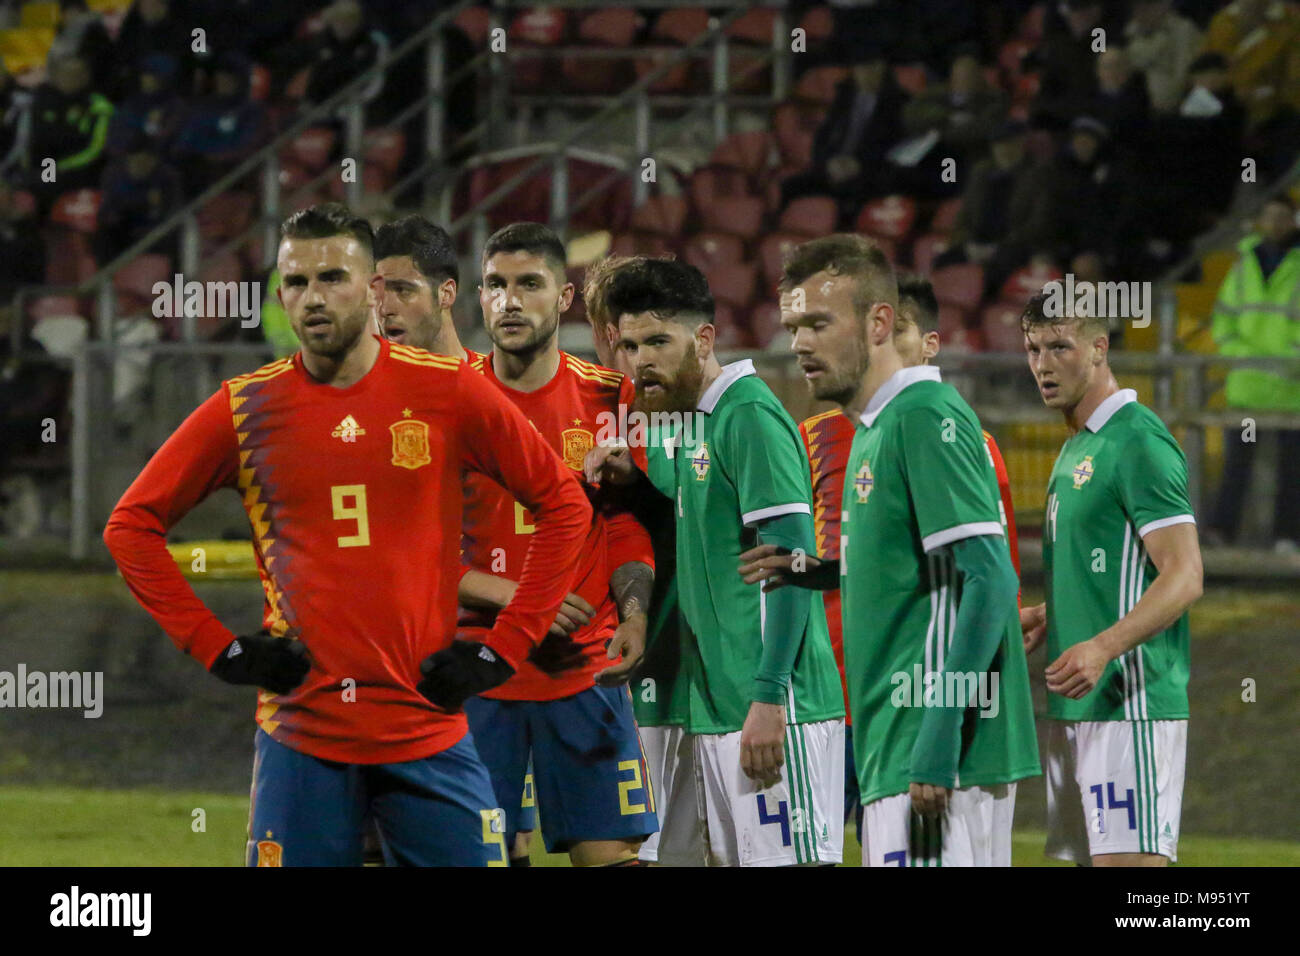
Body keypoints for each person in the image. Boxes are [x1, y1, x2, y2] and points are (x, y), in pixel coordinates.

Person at [102, 203, 593, 866]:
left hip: (429, 729)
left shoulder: (448, 392)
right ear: (279, 295)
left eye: (333, 277)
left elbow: (565, 504)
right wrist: (219, 650)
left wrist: (504, 650)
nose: (312, 297)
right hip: (302, 735)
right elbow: (131, 527)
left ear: (373, 290)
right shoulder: (244, 409)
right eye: (297, 283)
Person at [743, 234, 1039, 866]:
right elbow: (908, 568)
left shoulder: (926, 417)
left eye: (819, 323)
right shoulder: (876, 429)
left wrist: (936, 740)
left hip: (928, 754)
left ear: (880, 322)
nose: (799, 344)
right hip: (894, 745)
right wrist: (817, 570)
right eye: (793, 326)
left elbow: (990, 580)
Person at [589, 257, 847, 866]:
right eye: (628, 345)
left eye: (658, 341)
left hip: (777, 709)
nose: (640, 360)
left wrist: (769, 697)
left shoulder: (749, 417)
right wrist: (634, 479)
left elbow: (791, 565)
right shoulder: (694, 426)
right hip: (721, 709)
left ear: (704, 338)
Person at [457, 223, 658, 867]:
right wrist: (524, 600)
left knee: (611, 854)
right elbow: (410, 549)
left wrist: (634, 614)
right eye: (495, 286)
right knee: (476, 856)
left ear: (564, 297)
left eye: (528, 285)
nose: (509, 301)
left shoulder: (606, 397)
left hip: (582, 669)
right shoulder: (443, 402)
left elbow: (625, 522)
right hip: (477, 672)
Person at [1019, 289, 1203, 866]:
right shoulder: (1079, 444)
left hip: (1131, 707)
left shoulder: (1138, 441)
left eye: (1059, 347)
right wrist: (1056, 614)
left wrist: (1104, 645)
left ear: (1099, 348)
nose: (1043, 365)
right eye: (1032, 349)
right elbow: (1117, 565)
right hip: (1077, 708)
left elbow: (1184, 573)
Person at [582, 253, 694, 865]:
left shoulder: (701, 412)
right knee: (644, 842)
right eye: (626, 335)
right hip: (637, 657)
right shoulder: (605, 408)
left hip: (685, 655)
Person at [1207, 195, 1300, 550]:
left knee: (1292, 471)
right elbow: (1224, 318)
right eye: (1269, 216)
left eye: (1282, 216)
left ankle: (1288, 536)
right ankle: (1221, 533)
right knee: (1236, 468)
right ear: (1261, 220)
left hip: (1291, 388)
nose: (1275, 223)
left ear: (1293, 221)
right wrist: (1241, 355)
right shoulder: (1243, 265)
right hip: (1247, 387)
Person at [780, 47, 907, 220]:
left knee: (853, 193)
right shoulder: (844, 98)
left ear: (883, 70)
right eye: (862, 68)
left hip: (868, 173)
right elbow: (822, 137)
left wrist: (860, 165)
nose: (867, 74)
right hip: (835, 167)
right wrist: (827, 163)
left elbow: (895, 147)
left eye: (873, 68)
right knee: (791, 186)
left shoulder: (898, 103)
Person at [372, 215, 471, 360]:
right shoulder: (367, 381)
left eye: (402, 290)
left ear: (446, 293)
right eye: (378, 293)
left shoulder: (492, 378)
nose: (385, 310)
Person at [26, 55, 113, 208]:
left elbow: (95, 148)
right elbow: (31, 134)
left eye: (75, 75)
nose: (68, 79)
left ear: (85, 77)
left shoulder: (97, 106)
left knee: (44, 186)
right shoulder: (43, 98)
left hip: (77, 169)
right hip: (43, 163)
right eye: (64, 74)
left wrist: (60, 166)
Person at [1123, 0, 1203, 114]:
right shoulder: (1129, 32)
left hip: (1171, 112)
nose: (1141, 11)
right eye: (1137, 6)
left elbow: (1184, 76)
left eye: (1148, 5)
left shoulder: (1184, 30)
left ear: (1165, 4)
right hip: (1132, 110)